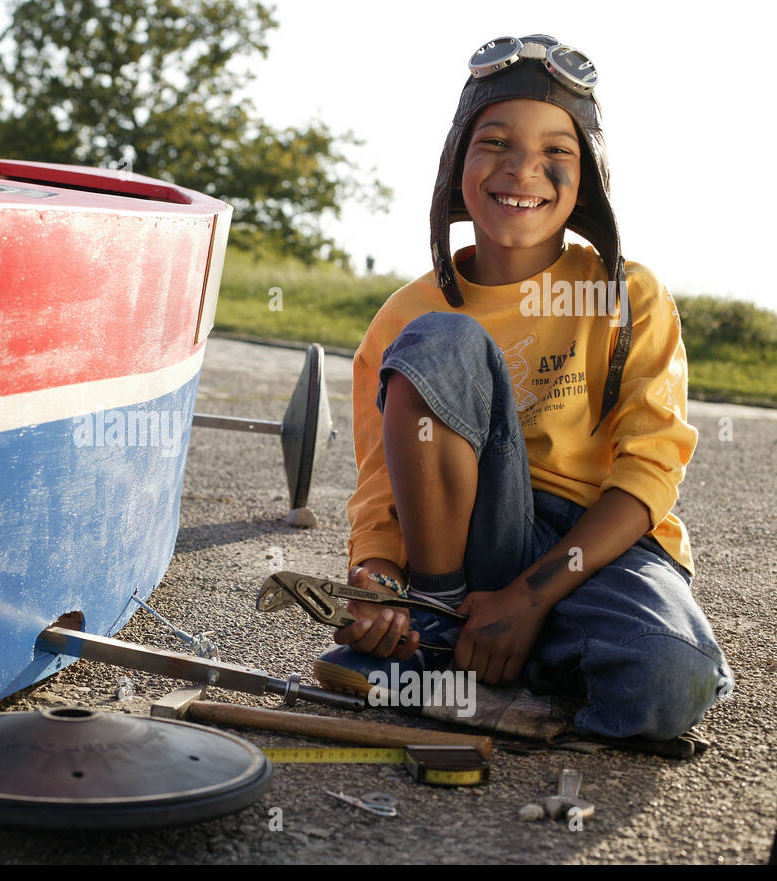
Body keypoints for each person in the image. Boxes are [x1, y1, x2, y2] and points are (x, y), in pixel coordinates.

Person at [314, 35, 734, 755]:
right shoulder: (404, 315)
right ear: (457, 162)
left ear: (589, 177)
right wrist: (379, 583)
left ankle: (484, 658)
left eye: (555, 154)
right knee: (442, 341)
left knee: (671, 682)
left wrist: (530, 597)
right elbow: (382, 492)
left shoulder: (627, 295)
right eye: (495, 142)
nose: (521, 171)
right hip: (466, 535)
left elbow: (649, 472)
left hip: (596, 545)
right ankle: (444, 622)